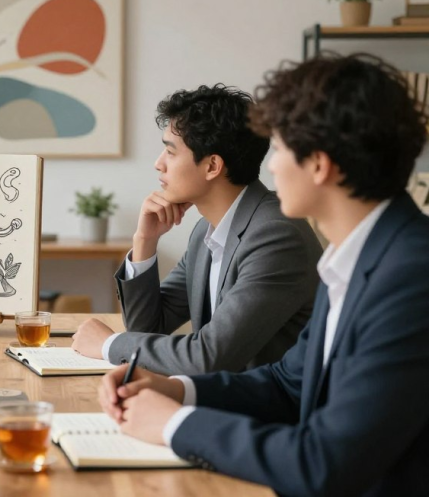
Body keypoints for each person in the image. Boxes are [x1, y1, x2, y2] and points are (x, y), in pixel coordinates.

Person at [99, 54, 429, 496]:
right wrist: (173, 389)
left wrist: (175, 423)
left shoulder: (410, 277)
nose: (270, 166)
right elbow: (286, 385)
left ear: (319, 163)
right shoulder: (356, 256)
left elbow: (324, 462)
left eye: (280, 148)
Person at [72, 84, 322, 375]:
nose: (158, 164)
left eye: (170, 152)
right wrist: (145, 241)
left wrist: (109, 345)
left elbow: (210, 357)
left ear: (212, 166)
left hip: (266, 413)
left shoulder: (275, 236)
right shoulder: (207, 230)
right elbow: (149, 328)